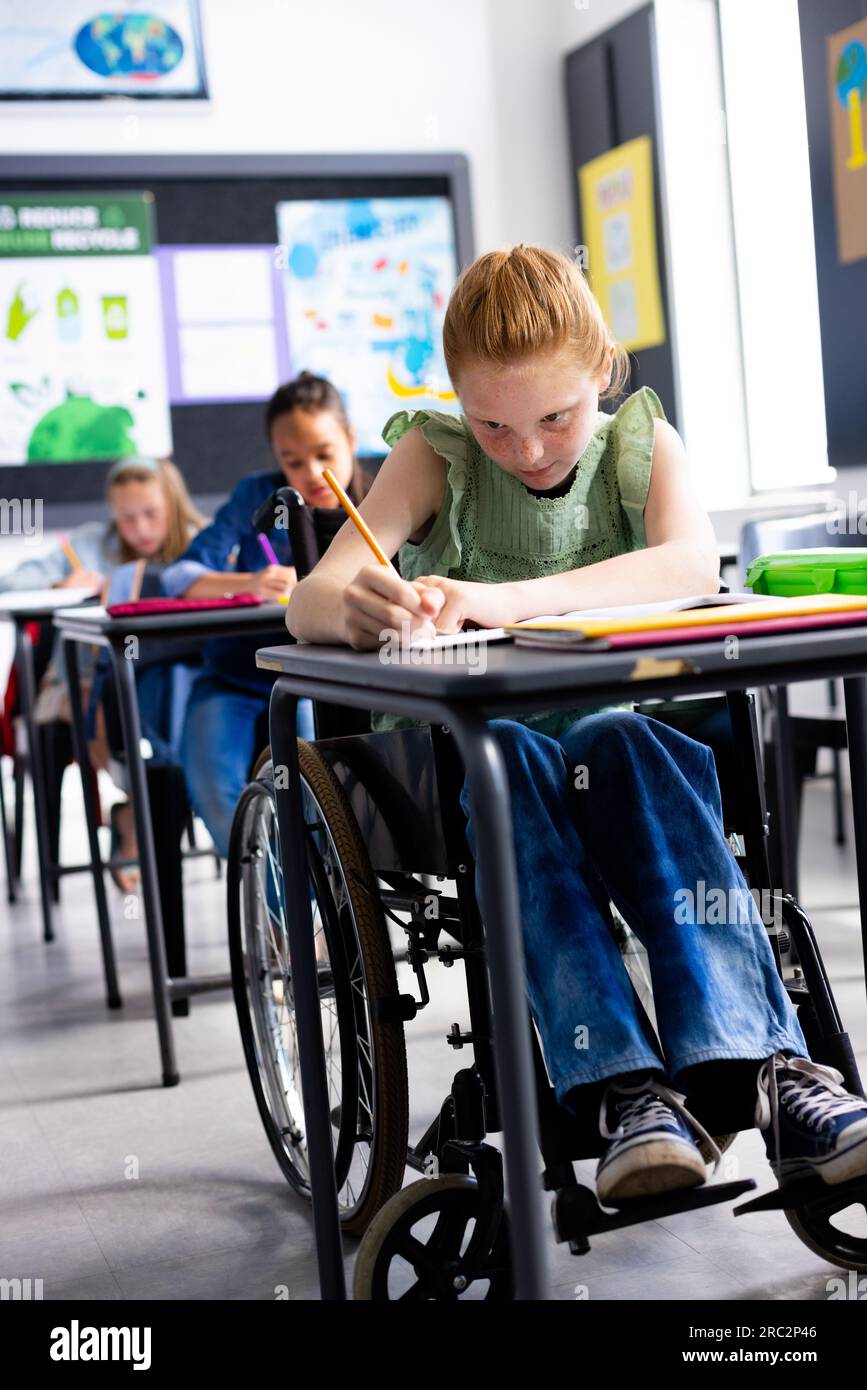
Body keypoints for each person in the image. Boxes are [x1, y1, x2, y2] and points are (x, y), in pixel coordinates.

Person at [285, 245, 867, 1208]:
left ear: (600, 369)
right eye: (493, 423)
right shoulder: (434, 453)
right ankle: (623, 1092)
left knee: (623, 740)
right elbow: (313, 598)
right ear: (458, 404)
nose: (526, 450)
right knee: (511, 757)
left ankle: (764, 1069)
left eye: (554, 417)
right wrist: (353, 608)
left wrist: (492, 597)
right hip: (472, 763)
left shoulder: (641, 445)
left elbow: (687, 565)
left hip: (608, 740)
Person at [162, 372, 371, 858]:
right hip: (235, 674)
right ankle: (279, 917)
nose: (311, 473)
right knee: (214, 787)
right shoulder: (258, 495)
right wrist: (250, 583)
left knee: (318, 784)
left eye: (324, 453)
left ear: (350, 439)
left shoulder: (378, 499)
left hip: (322, 675)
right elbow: (179, 576)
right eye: (292, 461)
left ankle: (324, 918)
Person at [0, 456, 204, 891]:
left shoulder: (200, 543)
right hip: (83, 679)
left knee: (179, 703)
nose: (140, 528)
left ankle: (137, 812)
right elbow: (9, 584)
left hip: (168, 675)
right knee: (104, 703)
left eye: (151, 514)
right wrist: (65, 586)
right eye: (126, 517)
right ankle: (140, 802)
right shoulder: (90, 544)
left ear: (172, 503)